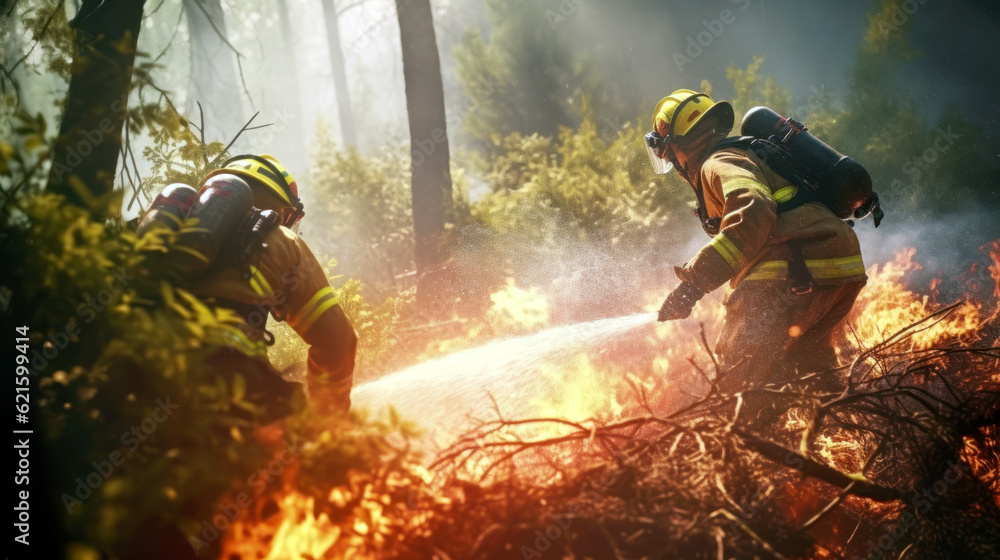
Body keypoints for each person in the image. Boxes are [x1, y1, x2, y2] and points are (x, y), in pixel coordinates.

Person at [646, 89, 867, 393]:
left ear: (680, 146)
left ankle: (744, 421)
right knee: (809, 373)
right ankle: (847, 419)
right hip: (836, 266)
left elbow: (753, 210)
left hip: (793, 269)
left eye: (668, 153)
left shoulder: (716, 163)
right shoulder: (742, 154)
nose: (674, 165)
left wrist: (693, 286)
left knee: (740, 374)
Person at [175, 154, 357, 418]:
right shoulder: (279, 239)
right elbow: (337, 340)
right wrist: (330, 420)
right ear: (283, 211)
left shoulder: (167, 238)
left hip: (145, 396)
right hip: (236, 399)